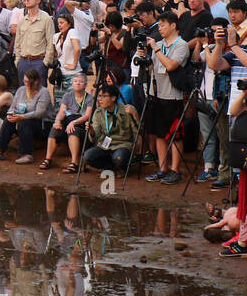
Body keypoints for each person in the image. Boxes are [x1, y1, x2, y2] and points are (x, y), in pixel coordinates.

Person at [141, 9, 190, 183]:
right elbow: (153, 68)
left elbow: (170, 66)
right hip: (156, 93)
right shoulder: (158, 44)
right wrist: (144, 58)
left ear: (173, 25)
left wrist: (156, 49)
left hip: (173, 95)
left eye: (162, 25)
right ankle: (162, 168)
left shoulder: (181, 45)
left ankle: (175, 170)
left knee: (175, 134)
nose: (160, 29)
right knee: (158, 133)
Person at [0, 67, 52, 163]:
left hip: (42, 124)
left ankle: (27, 155)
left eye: (28, 81)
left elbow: (40, 113)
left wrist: (22, 117)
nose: (25, 83)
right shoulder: (21, 90)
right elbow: (12, 107)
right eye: (24, 81)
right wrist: (11, 114)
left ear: (36, 81)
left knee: (25, 122)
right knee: (8, 120)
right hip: (22, 119)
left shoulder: (44, 92)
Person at [81, 83, 139, 175]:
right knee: (87, 156)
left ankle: (122, 167)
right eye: (99, 96)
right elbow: (96, 136)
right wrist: (91, 131)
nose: (100, 99)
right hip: (105, 145)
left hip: (122, 145)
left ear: (113, 98)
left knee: (120, 158)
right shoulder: (98, 112)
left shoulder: (127, 109)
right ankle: (110, 167)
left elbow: (138, 131)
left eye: (104, 96)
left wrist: (135, 116)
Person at [41, 73, 93, 172]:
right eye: (75, 81)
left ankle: (74, 163)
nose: (78, 83)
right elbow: (62, 112)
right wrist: (57, 121)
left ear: (85, 85)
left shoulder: (89, 98)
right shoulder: (67, 96)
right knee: (55, 129)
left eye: (81, 82)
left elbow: (87, 115)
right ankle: (48, 159)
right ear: (72, 84)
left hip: (81, 125)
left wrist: (74, 123)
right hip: (67, 122)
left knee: (73, 131)